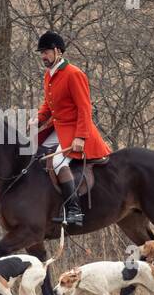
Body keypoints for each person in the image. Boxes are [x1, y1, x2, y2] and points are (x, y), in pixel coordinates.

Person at [31, 31, 111, 226]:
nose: (43, 56)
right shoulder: (49, 75)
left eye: (46, 52)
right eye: (41, 52)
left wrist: (81, 137)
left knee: (57, 161)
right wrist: (37, 119)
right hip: (58, 130)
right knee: (35, 154)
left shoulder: (74, 74)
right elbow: (49, 106)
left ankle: (74, 211)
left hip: (76, 131)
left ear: (58, 51)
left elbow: (85, 108)